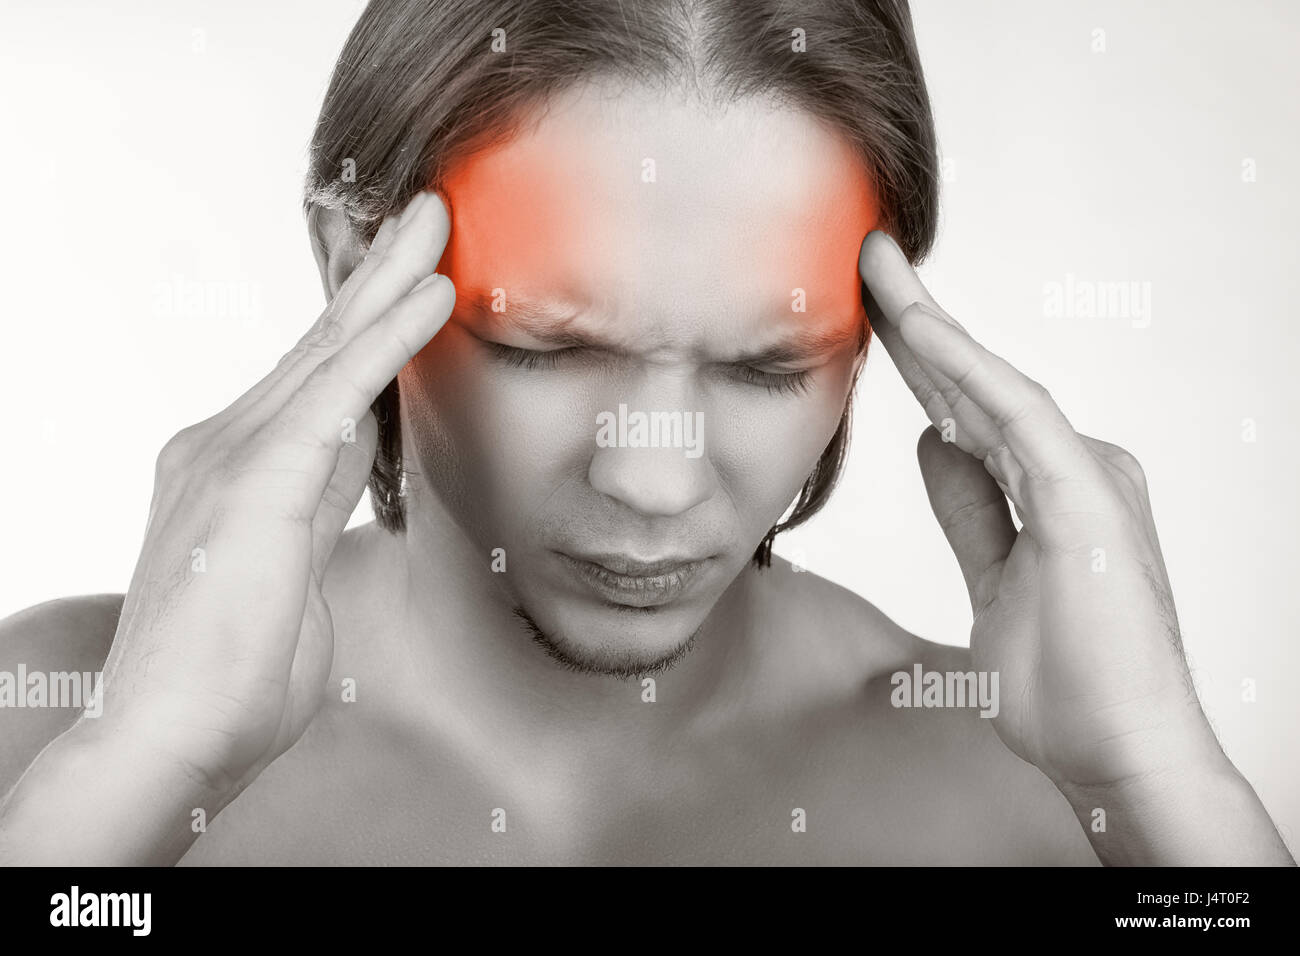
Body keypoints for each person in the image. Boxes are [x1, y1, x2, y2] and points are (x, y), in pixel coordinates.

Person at [0, 0, 1292, 865]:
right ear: (355, 278)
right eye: (545, 347)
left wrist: (1164, 784)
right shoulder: (43, 726)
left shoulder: (1049, 801)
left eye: (769, 363)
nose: (657, 479)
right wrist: (135, 775)